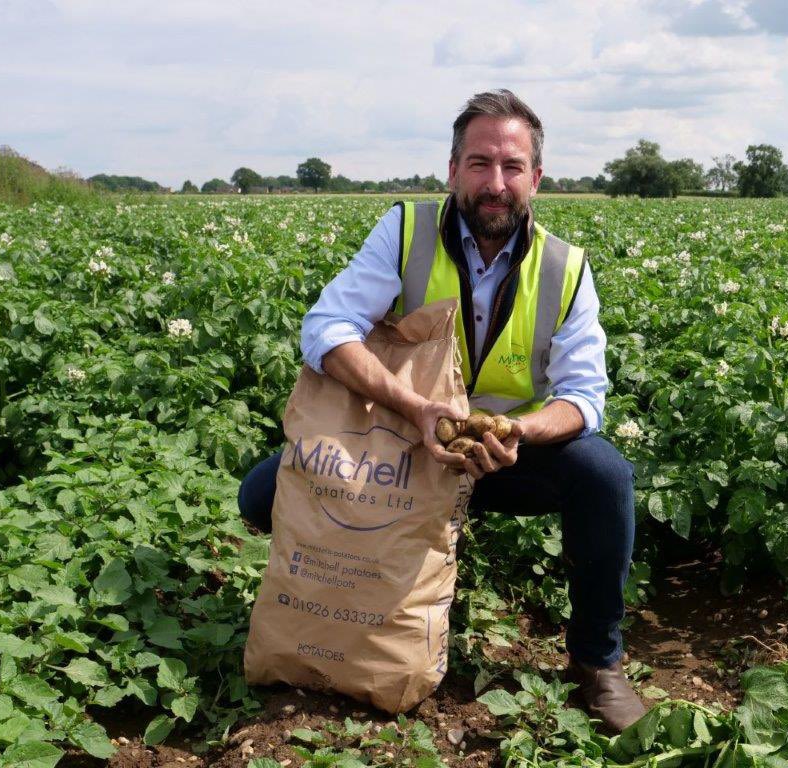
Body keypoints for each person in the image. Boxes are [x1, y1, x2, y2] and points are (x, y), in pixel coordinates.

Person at [237, 89, 646, 733]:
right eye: (479, 163)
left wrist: (517, 430)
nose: (496, 183)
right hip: (402, 442)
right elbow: (327, 328)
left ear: (536, 179)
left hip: (504, 457)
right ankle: (349, 590)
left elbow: (584, 397)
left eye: (512, 167)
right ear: (453, 170)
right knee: (261, 496)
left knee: (605, 477)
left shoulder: (565, 268)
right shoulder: (407, 230)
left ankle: (598, 663)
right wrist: (414, 407)